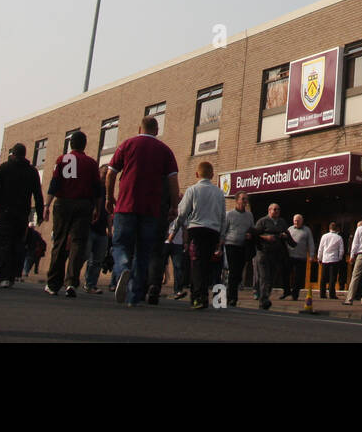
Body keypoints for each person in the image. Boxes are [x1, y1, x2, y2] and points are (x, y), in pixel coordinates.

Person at [105, 115, 179, 306]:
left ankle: (122, 269)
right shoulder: (165, 151)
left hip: (126, 204)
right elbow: (173, 181)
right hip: (151, 209)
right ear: (157, 130)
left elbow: (111, 172)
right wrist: (173, 206)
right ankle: (134, 296)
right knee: (143, 252)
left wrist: (109, 197)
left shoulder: (127, 144)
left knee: (120, 244)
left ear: (140, 128)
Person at [43, 131, 103, 299]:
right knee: (78, 243)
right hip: (84, 204)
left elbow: (55, 183)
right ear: (84, 144)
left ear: (71, 144)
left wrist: (47, 204)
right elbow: (97, 189)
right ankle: (71, 282)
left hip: (63, 202)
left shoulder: (61, 160)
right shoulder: (91, 163)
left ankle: (54, 283)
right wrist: (97, 208)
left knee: (60, 241)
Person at [0, 144, 43, 288]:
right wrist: (39, 212)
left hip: (5, 211)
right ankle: (12, 275)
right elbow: (37, 193)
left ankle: (3, 275)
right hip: (22, 213)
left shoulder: (5, 168)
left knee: (5, 242)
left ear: (13, 154)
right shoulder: (32, 171)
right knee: (17, 243)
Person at [173, 161, 225, 310]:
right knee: (207, 264)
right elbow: (223, 217)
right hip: (213, 231)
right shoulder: (219, 192)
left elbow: (182, 213)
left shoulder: (192, 190)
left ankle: (198, 297)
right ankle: (203, 295)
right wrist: (221, 238)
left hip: (196, 230)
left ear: (197, 174)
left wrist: (174, 230)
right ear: (212, 175)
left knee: (196, 263)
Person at [221, 193, 254, 306]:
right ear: (237, 200)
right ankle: (232, 297)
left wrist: (250, 234)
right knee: (234, 271)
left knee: (239, 273)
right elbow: (224, 230)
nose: (245, 201)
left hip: (243, 246)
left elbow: (252, 228)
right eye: (243, 199)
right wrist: (220, 244)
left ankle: (230, 292)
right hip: (231, 245)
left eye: (246, 199)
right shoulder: (229, 214)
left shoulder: (249, 215)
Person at [284, 213, 315, 300]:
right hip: (290, 256)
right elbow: (285, 241)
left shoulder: (306, 230)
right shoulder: (290, 229)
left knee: (298, 277)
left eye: (298, 221)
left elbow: (310, 243)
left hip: (301, 257)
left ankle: (295, 294)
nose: (296, 222)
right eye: (295, 220)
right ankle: (286, 291)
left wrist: (312, 255)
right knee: (287, 274)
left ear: (302, 221)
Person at [318, 221, 345, 299]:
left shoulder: (324, 236)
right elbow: (341, 250)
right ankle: (332, 294)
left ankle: (322, 294)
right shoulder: (339, 237)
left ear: (329, 228)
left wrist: (319, 257)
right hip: (334, 259)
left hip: (325, 259)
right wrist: (339, 258)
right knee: (332, 277)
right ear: (336, 229)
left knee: (323, 277)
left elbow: (321, 248)